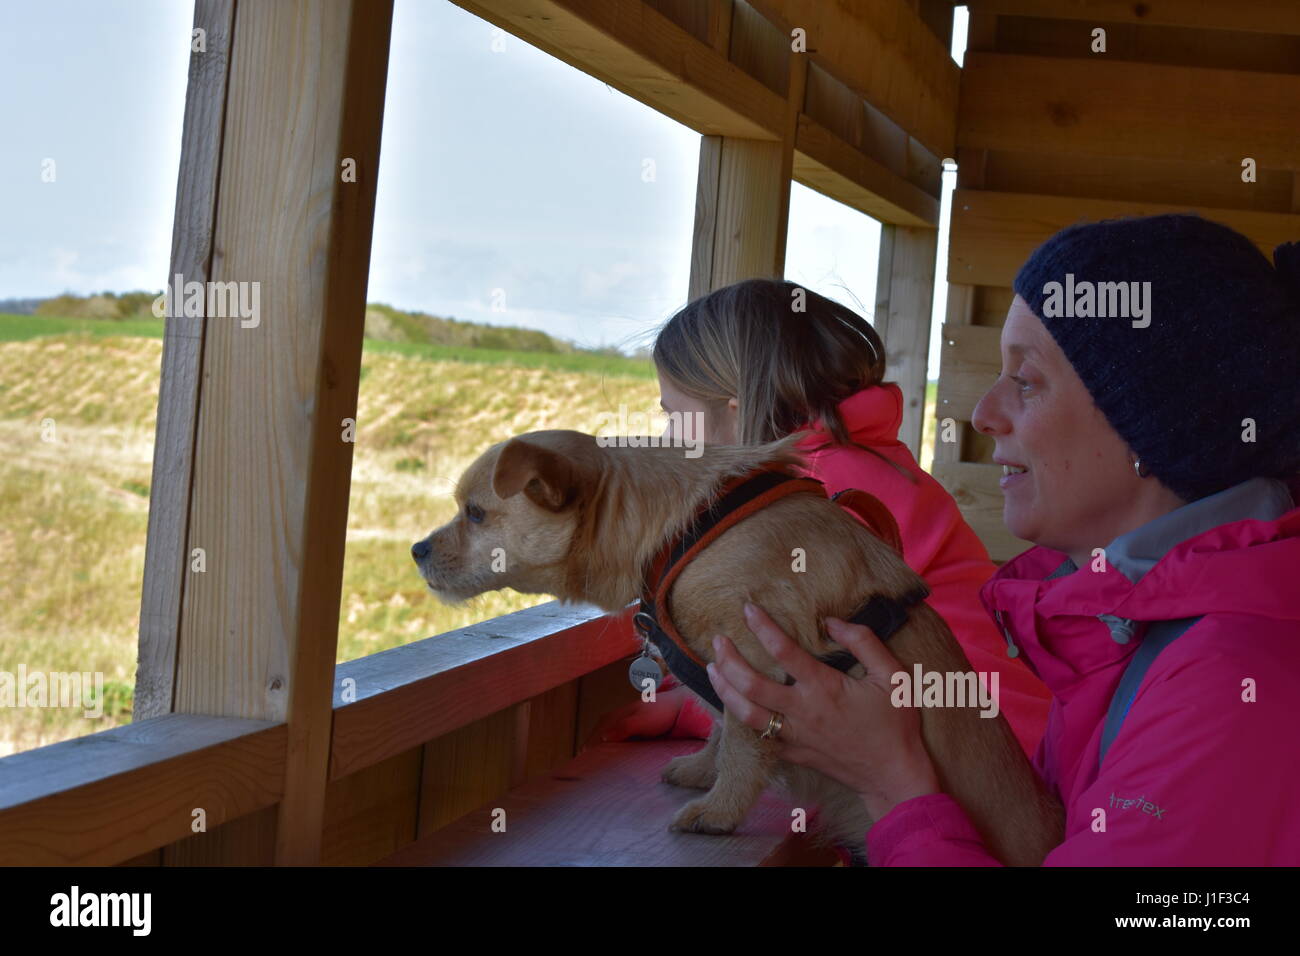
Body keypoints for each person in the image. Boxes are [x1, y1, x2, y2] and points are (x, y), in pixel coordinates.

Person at [706, 214, 1300, 865]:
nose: (984, 413)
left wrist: (894, 786)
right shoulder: (1128, 625)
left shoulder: (1229, 687)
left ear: (1155, 428)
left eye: (1026, 380)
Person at [595, 278, 1052, 762]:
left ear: (735, 413)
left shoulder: (813, 490)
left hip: (986, 758)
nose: (669, 437)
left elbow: (793, 666)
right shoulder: (862, 461)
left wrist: (694, 712)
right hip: (995, 736)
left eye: (674, 416)